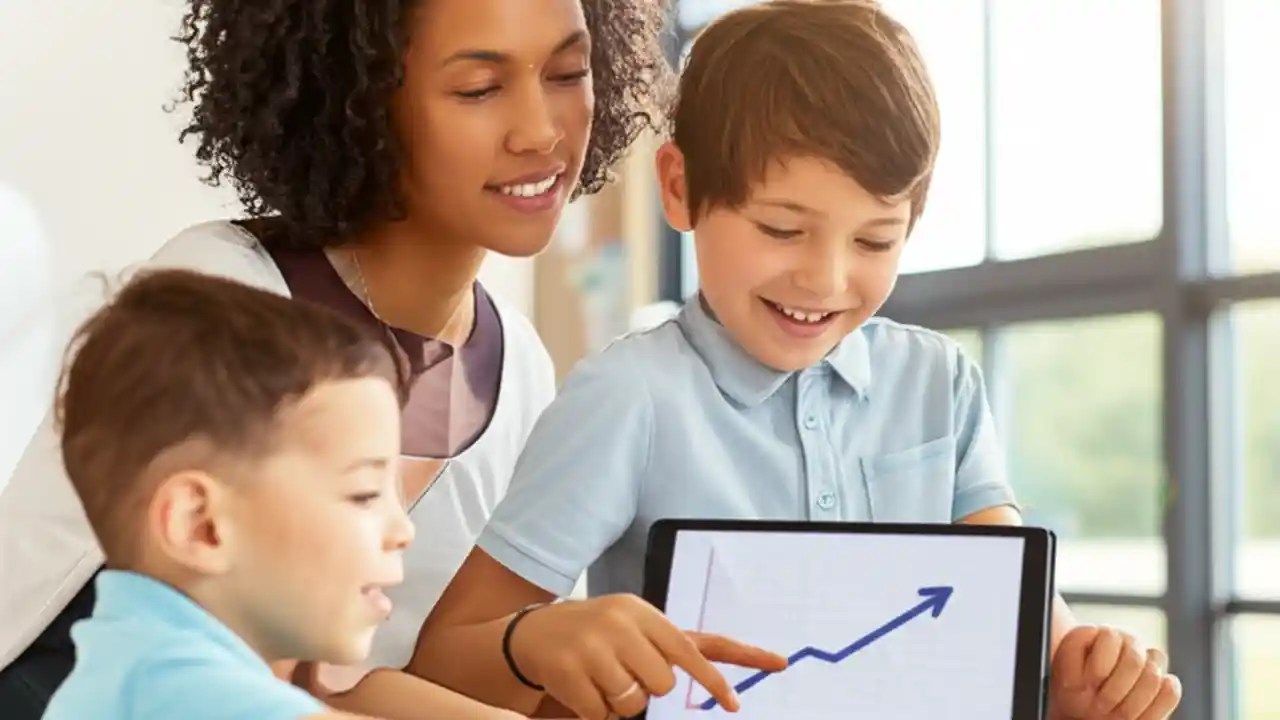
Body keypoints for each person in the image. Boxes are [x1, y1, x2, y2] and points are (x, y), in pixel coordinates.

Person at [413, 3, 1185, 720]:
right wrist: (536, 643)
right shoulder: (629, 397)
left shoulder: (939, 386)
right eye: (783, 230)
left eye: (875, 240)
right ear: (681, 190)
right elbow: (443, 661)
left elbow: (1014, 639)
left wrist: (1086, 679)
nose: (826, 279)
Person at [0, 0, 669, 717]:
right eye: (479, 89)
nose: (542, 131)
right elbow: (244, 682)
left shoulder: (520, 371)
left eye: (569, 73)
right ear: (361, 100)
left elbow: (387, 677)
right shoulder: (228, 302)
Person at [41, 268, 411, 719]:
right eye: (364, 494)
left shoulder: (134, 661)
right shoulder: (174, 685)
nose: (403, 530)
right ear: (202, 525)